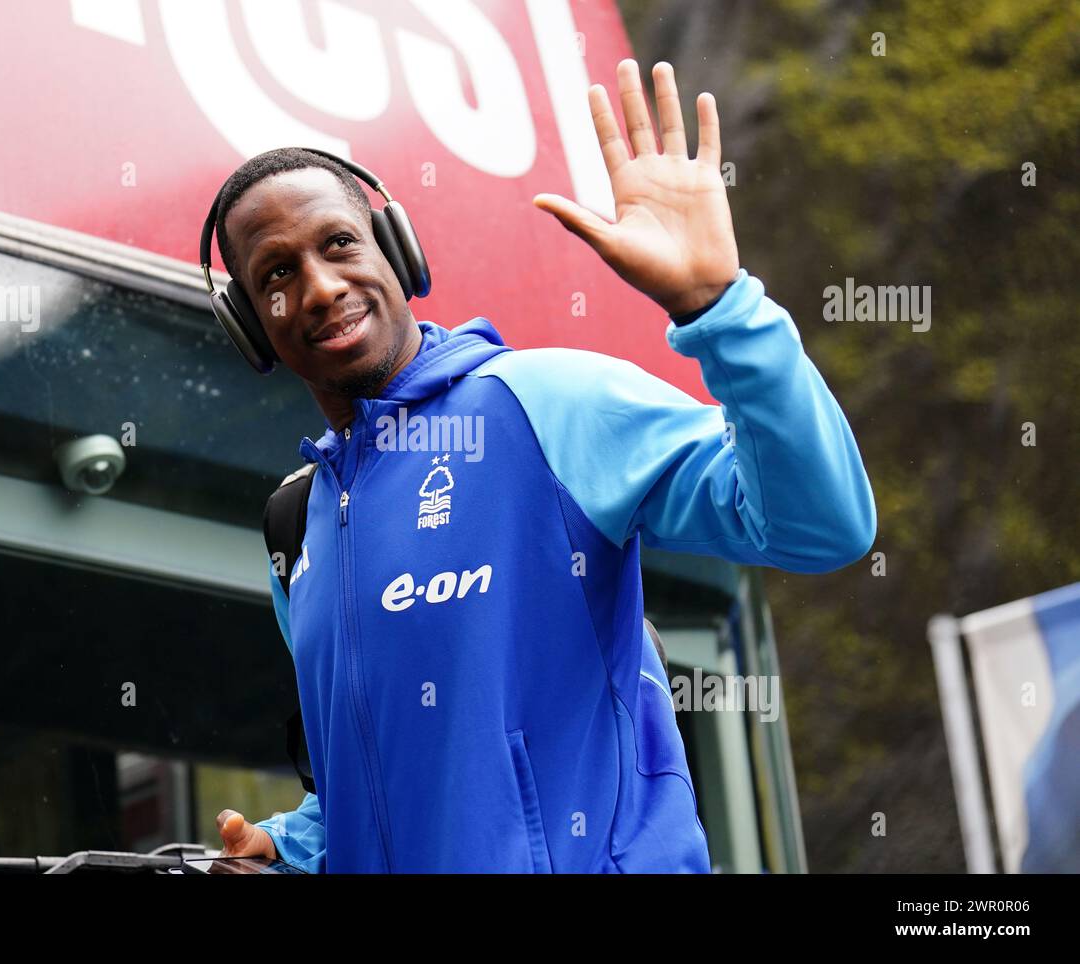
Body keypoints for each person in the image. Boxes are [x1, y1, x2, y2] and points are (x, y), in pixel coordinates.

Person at [214, 60, 875, 872]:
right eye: (277, 274)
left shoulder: (547, 401)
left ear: (396, 252)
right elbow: (381, 778)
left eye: (340, 244)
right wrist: (293, 846)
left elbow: (822, 526)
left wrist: (719, 307)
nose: (318, 288)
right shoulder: (294, 525)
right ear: (250, 322)